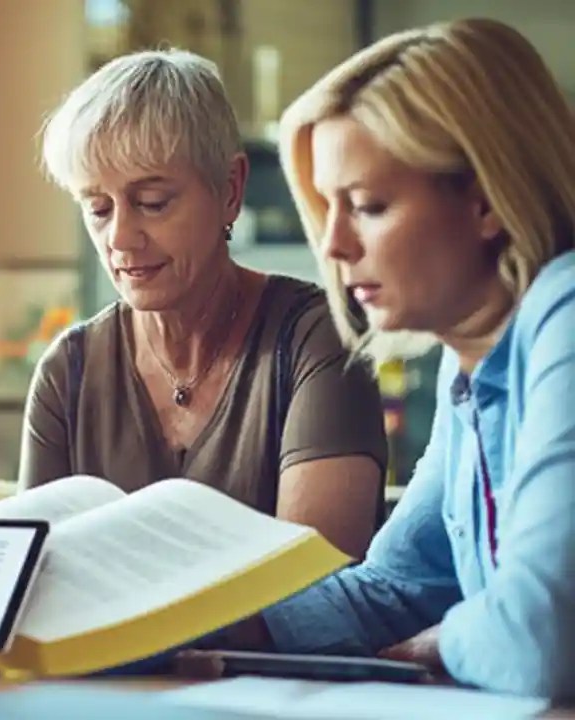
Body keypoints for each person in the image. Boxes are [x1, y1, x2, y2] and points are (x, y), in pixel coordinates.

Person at [0, 48, 388, 560]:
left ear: (230, 189)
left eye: (152, 203)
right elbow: (36, 569)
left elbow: (315, 584)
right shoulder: (70, 370)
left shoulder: (316, 340)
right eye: (98, 208)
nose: (121, 238)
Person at [236, 17, 575, 698]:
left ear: (483, 200)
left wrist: (441, 643)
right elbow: (396, 587)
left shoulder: (564, 315)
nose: (331, 246)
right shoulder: (469, 362)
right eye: (326, 208)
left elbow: (540, 635)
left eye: (365, 206)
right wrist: (186, 625)